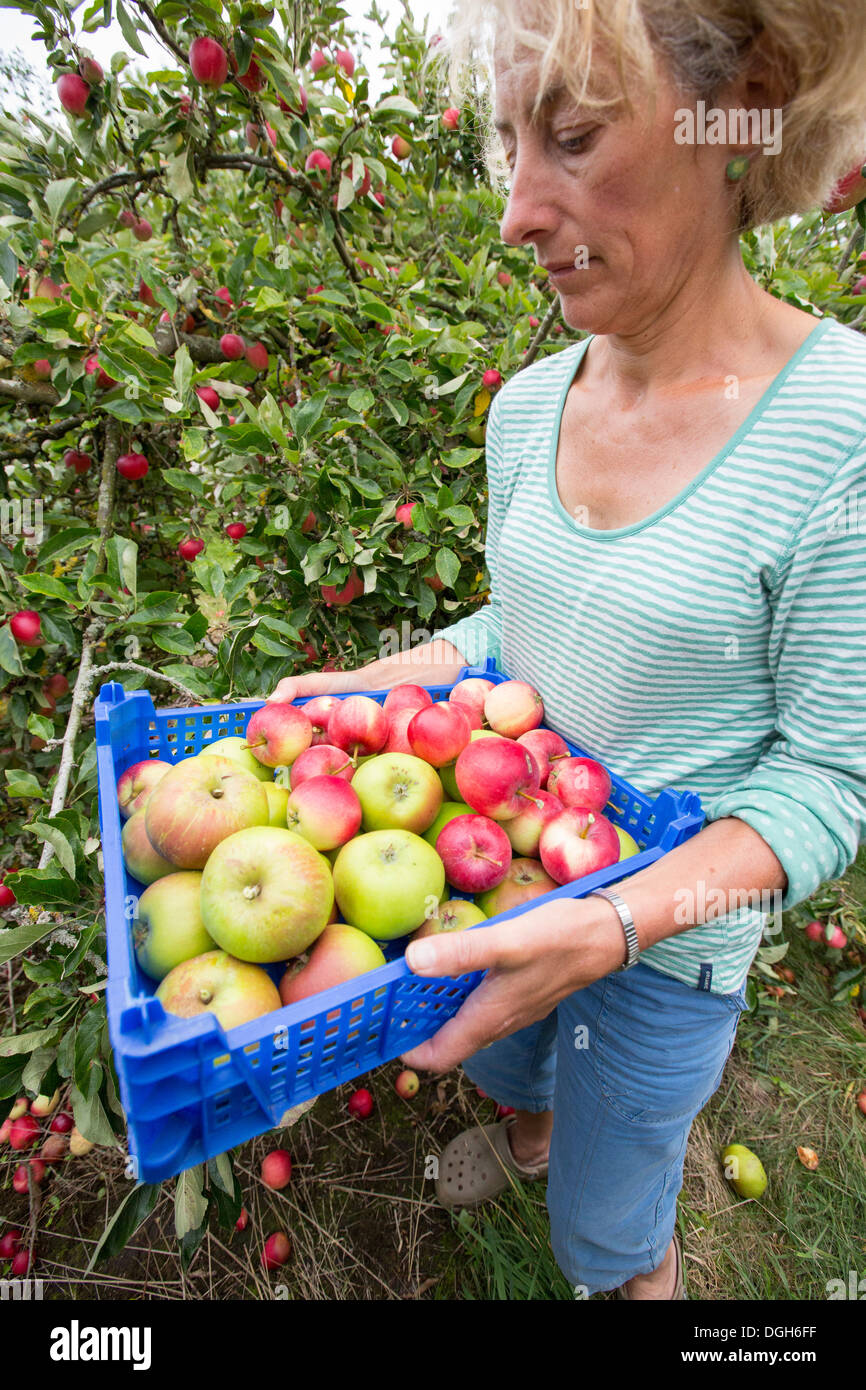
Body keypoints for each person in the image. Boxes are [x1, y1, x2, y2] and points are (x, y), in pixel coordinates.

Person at [268, 0, 866, 1299]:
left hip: (668, 950)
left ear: (743, 109)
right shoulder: (529, 404)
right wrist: (395, 680)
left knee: (610, 1219)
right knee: (510, 1060)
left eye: (575, 137)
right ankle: (529, 1137)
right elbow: (519, 630)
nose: (515, 213)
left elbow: (829, 780)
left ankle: (622, 1258)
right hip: (495, 863)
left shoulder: (842, 430)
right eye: (509, 146)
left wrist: (615, 925)